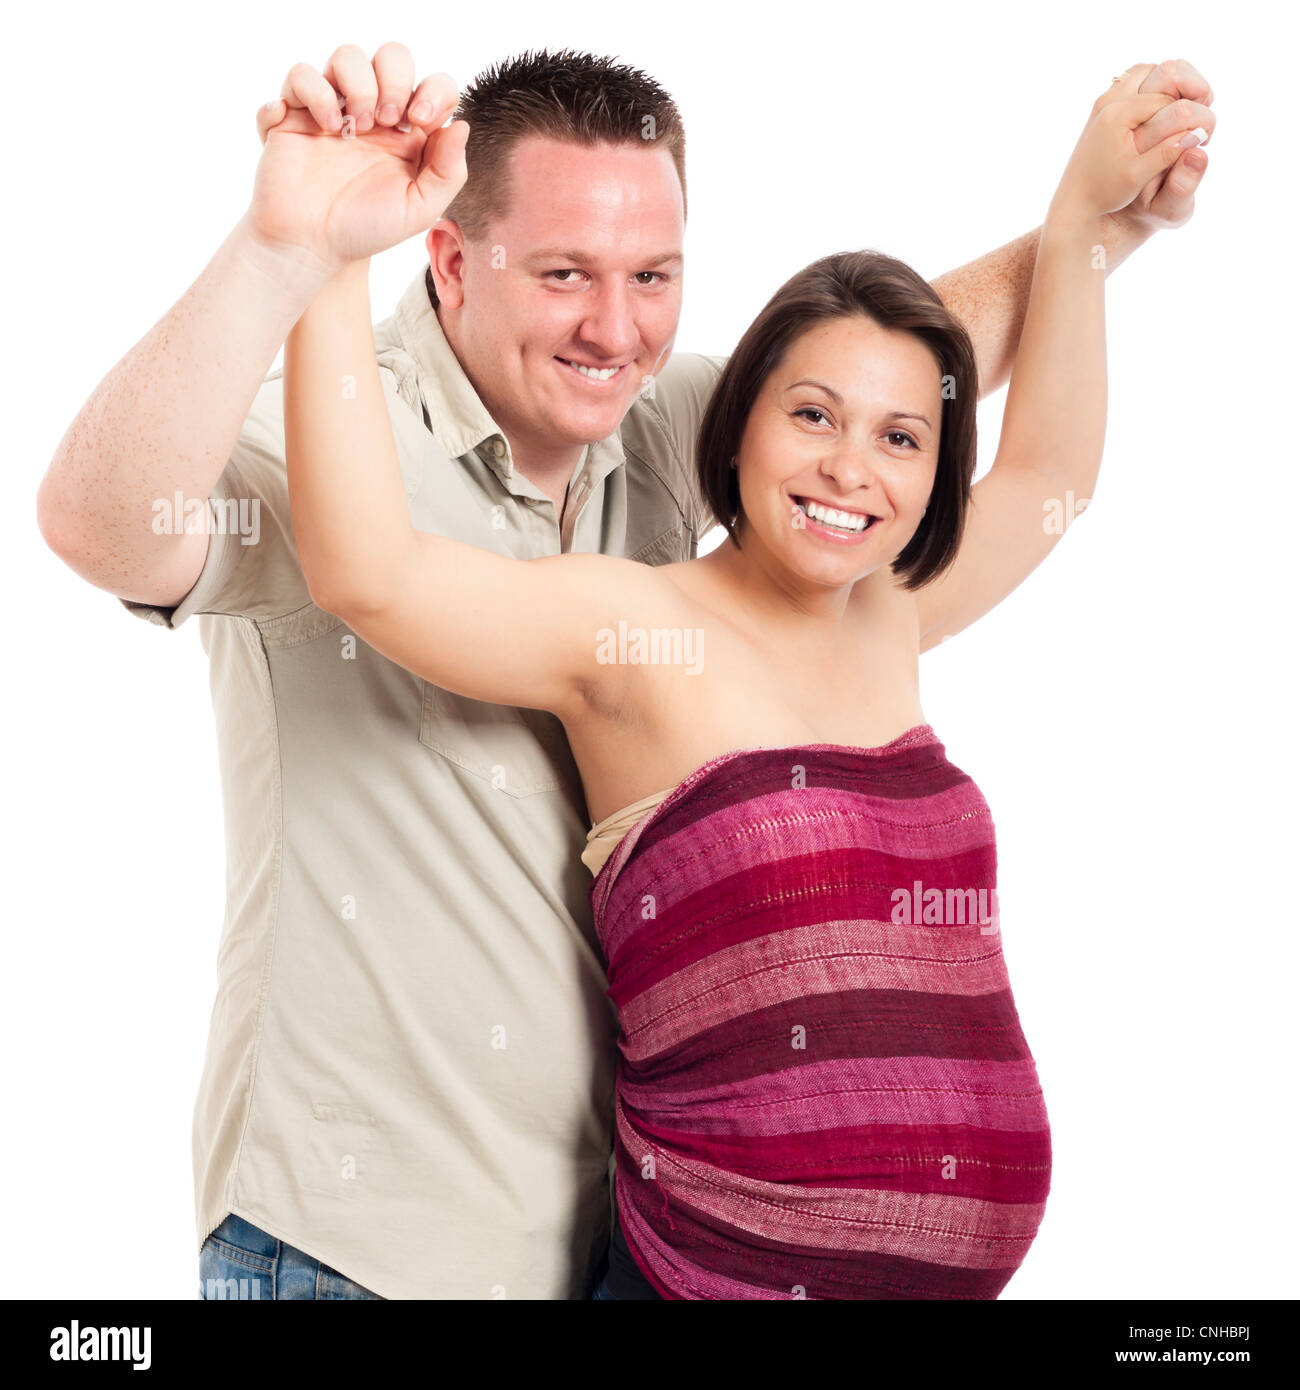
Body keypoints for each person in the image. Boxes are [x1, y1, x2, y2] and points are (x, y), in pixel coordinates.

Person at [34, 44, 1214, 1299]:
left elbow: (880, 368)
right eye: (562, 274)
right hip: (369, 1251)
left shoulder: (663, 426)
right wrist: (304, 254)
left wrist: (1096, 222)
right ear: (448, 256)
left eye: (652, 276)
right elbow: (112, 525)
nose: (616, 326)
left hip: (608, 1228)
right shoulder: (323, 439)